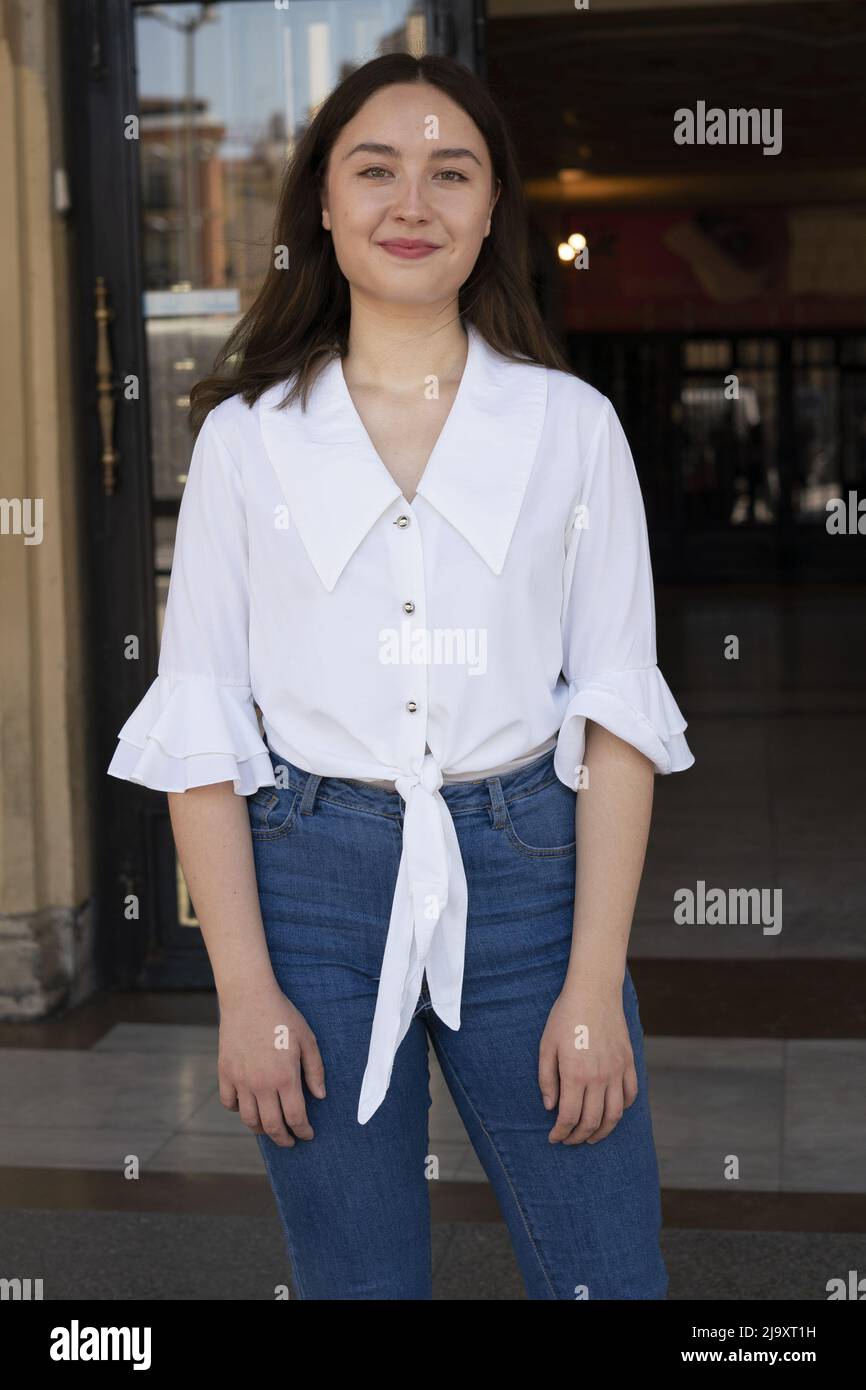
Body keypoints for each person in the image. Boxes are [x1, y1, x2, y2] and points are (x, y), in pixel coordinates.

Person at [108, 51, 694, 1301]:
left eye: (450, 172)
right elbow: (203, 726)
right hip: (308, 887)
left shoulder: (571, 428)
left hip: (533, 887)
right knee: (356, 1283)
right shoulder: (244, 440)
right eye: (374, 169)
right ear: (321, 201)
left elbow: (617, 714)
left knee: (606, 1275)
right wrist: (246, 990)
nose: (410, 201)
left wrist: (594, 982)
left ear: (491, 212)